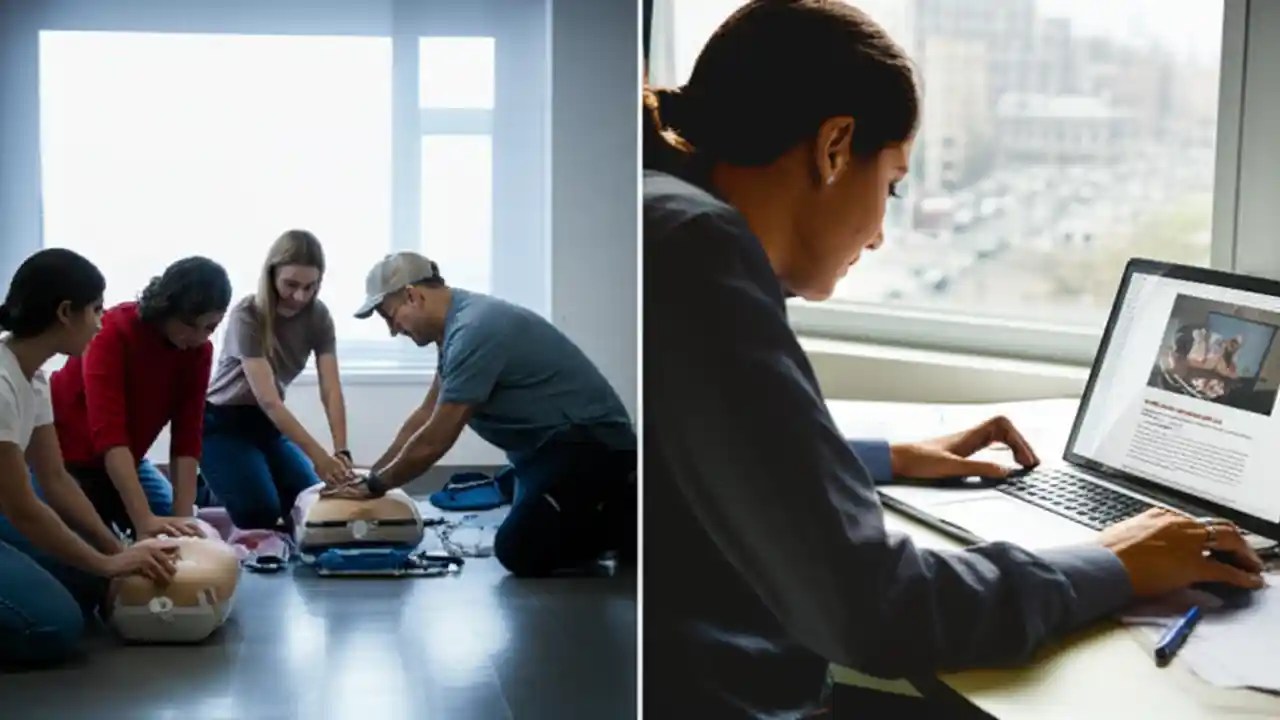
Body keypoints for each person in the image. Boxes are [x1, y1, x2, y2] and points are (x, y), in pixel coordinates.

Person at [641, 2, 1265, 717]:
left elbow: (690, 450)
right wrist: (1114, 563)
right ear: (835, 146)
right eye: (893, 184)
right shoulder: (696, 250)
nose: (878, 234)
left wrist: (881, 458)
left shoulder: (659, 217)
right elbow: (876, 610)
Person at [324, 251, 636, 577]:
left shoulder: (475, 330)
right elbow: (425, 416)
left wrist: (376, 485)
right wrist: (375, 474)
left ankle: (631, 516)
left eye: (390, 317)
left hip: (591, 448)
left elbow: (435, 440)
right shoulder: (455, 332)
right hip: (542, 453)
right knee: (524, 496)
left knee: (518, 549)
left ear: (413, 296)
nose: (392, 330)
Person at [0, 248, 178, 668]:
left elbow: (56, 480)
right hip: (8, 511)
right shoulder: (2, 383)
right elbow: (23, 507)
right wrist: (106, 562)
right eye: (95, 309)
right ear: (66, 312)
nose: (101, 322)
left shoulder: (34, 377)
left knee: (90, 586)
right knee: (54, 628)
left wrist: (115, 552)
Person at [50, 256, 232, 540]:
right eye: (189, 324)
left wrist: (184, 521)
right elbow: (109, 435)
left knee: (184, 533)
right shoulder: (112, 332)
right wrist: (144, 520)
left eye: (209, 327)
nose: (198, 336)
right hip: (66, 459)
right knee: (95, 547)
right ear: (166, 308)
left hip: (127, 461)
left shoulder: (198, 352)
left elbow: (187, 437)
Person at [200, 230, 354, 532]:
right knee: (259, 512)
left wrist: (341, 452)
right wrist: (319, 458)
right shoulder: (248, 314)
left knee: (308, 502)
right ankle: (209, 485)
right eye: (291, 285)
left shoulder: (318, 316)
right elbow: (269, 399)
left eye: (311, 287)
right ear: (271, 275)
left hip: (267, 427)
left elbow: (331, 388)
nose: (300, 296)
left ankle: (243, 476)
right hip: (221, 423)